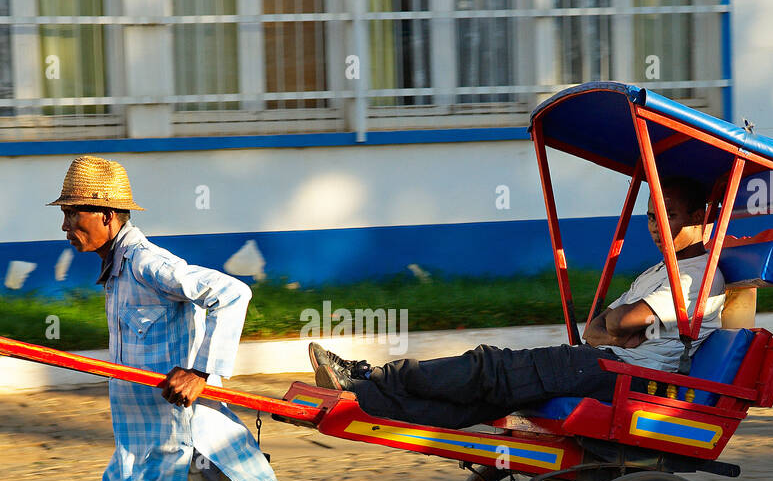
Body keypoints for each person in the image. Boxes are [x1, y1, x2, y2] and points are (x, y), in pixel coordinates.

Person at [51, 155, 342, 481]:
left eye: (76, 215)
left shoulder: (146, 264)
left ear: (109, 215)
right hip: (139, 436)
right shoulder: (116, 270)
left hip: (179, 436)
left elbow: (234, 292)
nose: (67, 227)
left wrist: (202, 370)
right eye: (66, 215)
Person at [309, 177, 726, 430]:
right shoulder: (659, 271)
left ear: (701, 217)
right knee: (484, 396)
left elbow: (617, 324)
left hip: (620, 377)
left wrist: (615, 327)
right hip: (602, 363)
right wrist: (613, 327)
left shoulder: (695, 277)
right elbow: (598, 327)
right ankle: (368, 396)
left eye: (668, 214)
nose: (656, 226)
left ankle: (367, 375)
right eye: (651, 216)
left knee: (487, 366)